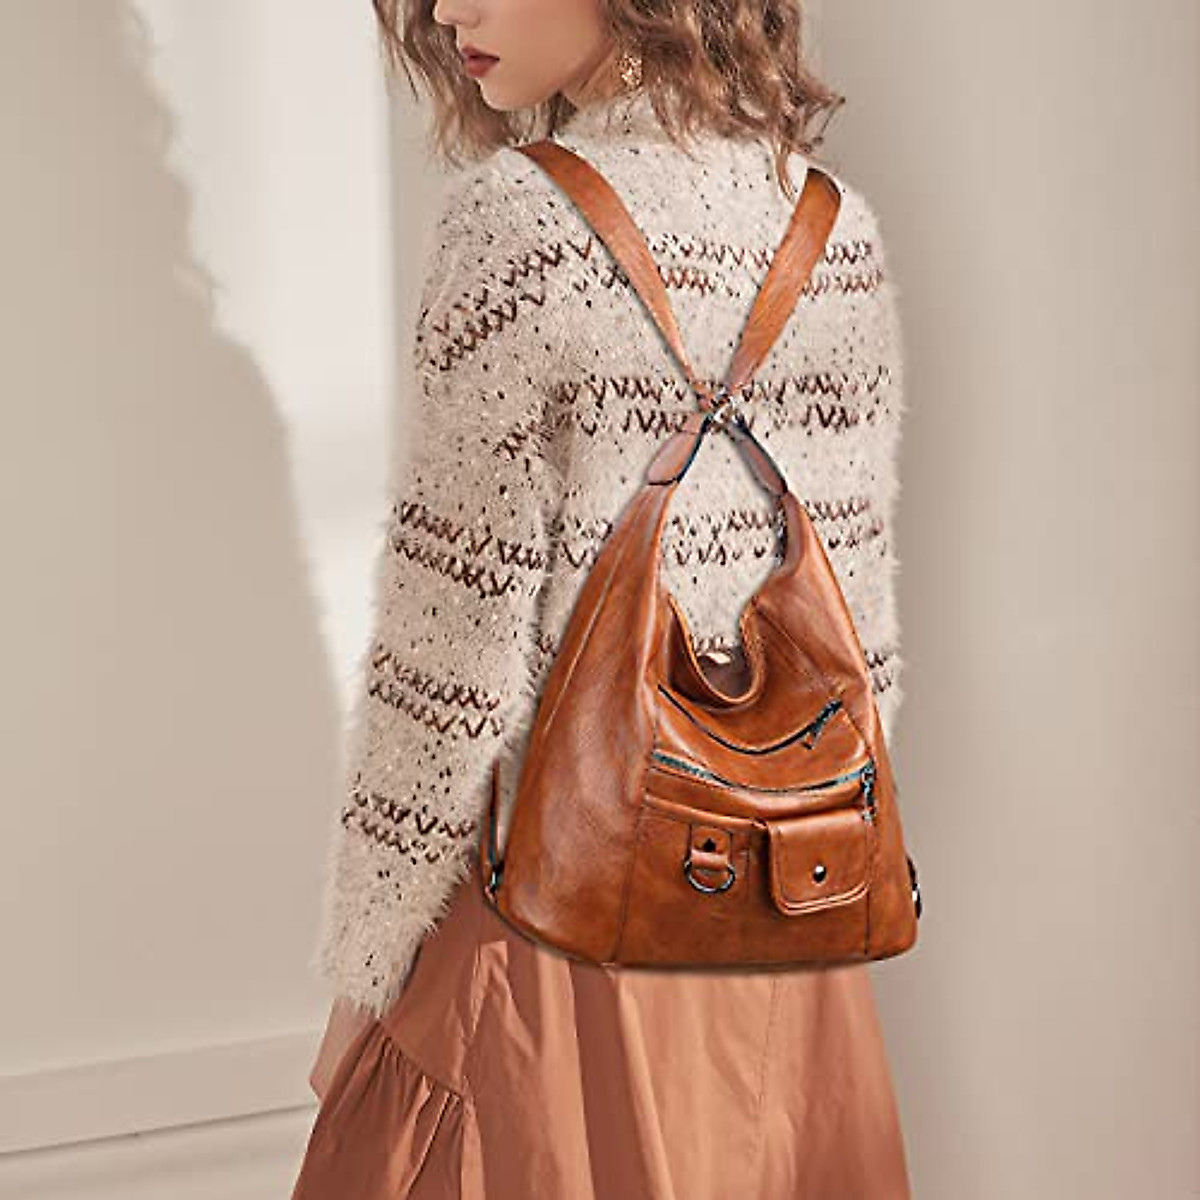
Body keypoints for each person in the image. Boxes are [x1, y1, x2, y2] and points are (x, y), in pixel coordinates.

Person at [292, 0, 913, 1194]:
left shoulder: (515, 228)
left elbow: (451, 664)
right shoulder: (832, 228)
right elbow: (860, 656)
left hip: (559, 932)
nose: (446, 10)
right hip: (785, 932)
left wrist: (366, 974)